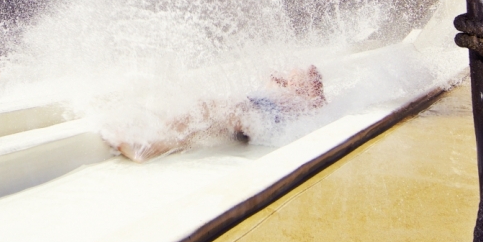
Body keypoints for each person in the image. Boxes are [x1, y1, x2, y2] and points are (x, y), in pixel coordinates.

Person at [114, 66, 327, 163]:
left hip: (262, 115)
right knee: (202, 128)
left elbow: (316, 93)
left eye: (298, 79)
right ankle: (153, 146)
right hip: (256, 114)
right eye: (292, 78)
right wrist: (282, 79)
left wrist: (308, 78)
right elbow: (269, 74)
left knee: (205, 106)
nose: (293, 79)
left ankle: (146, 145)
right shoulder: (275, 89)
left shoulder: (305, 102)